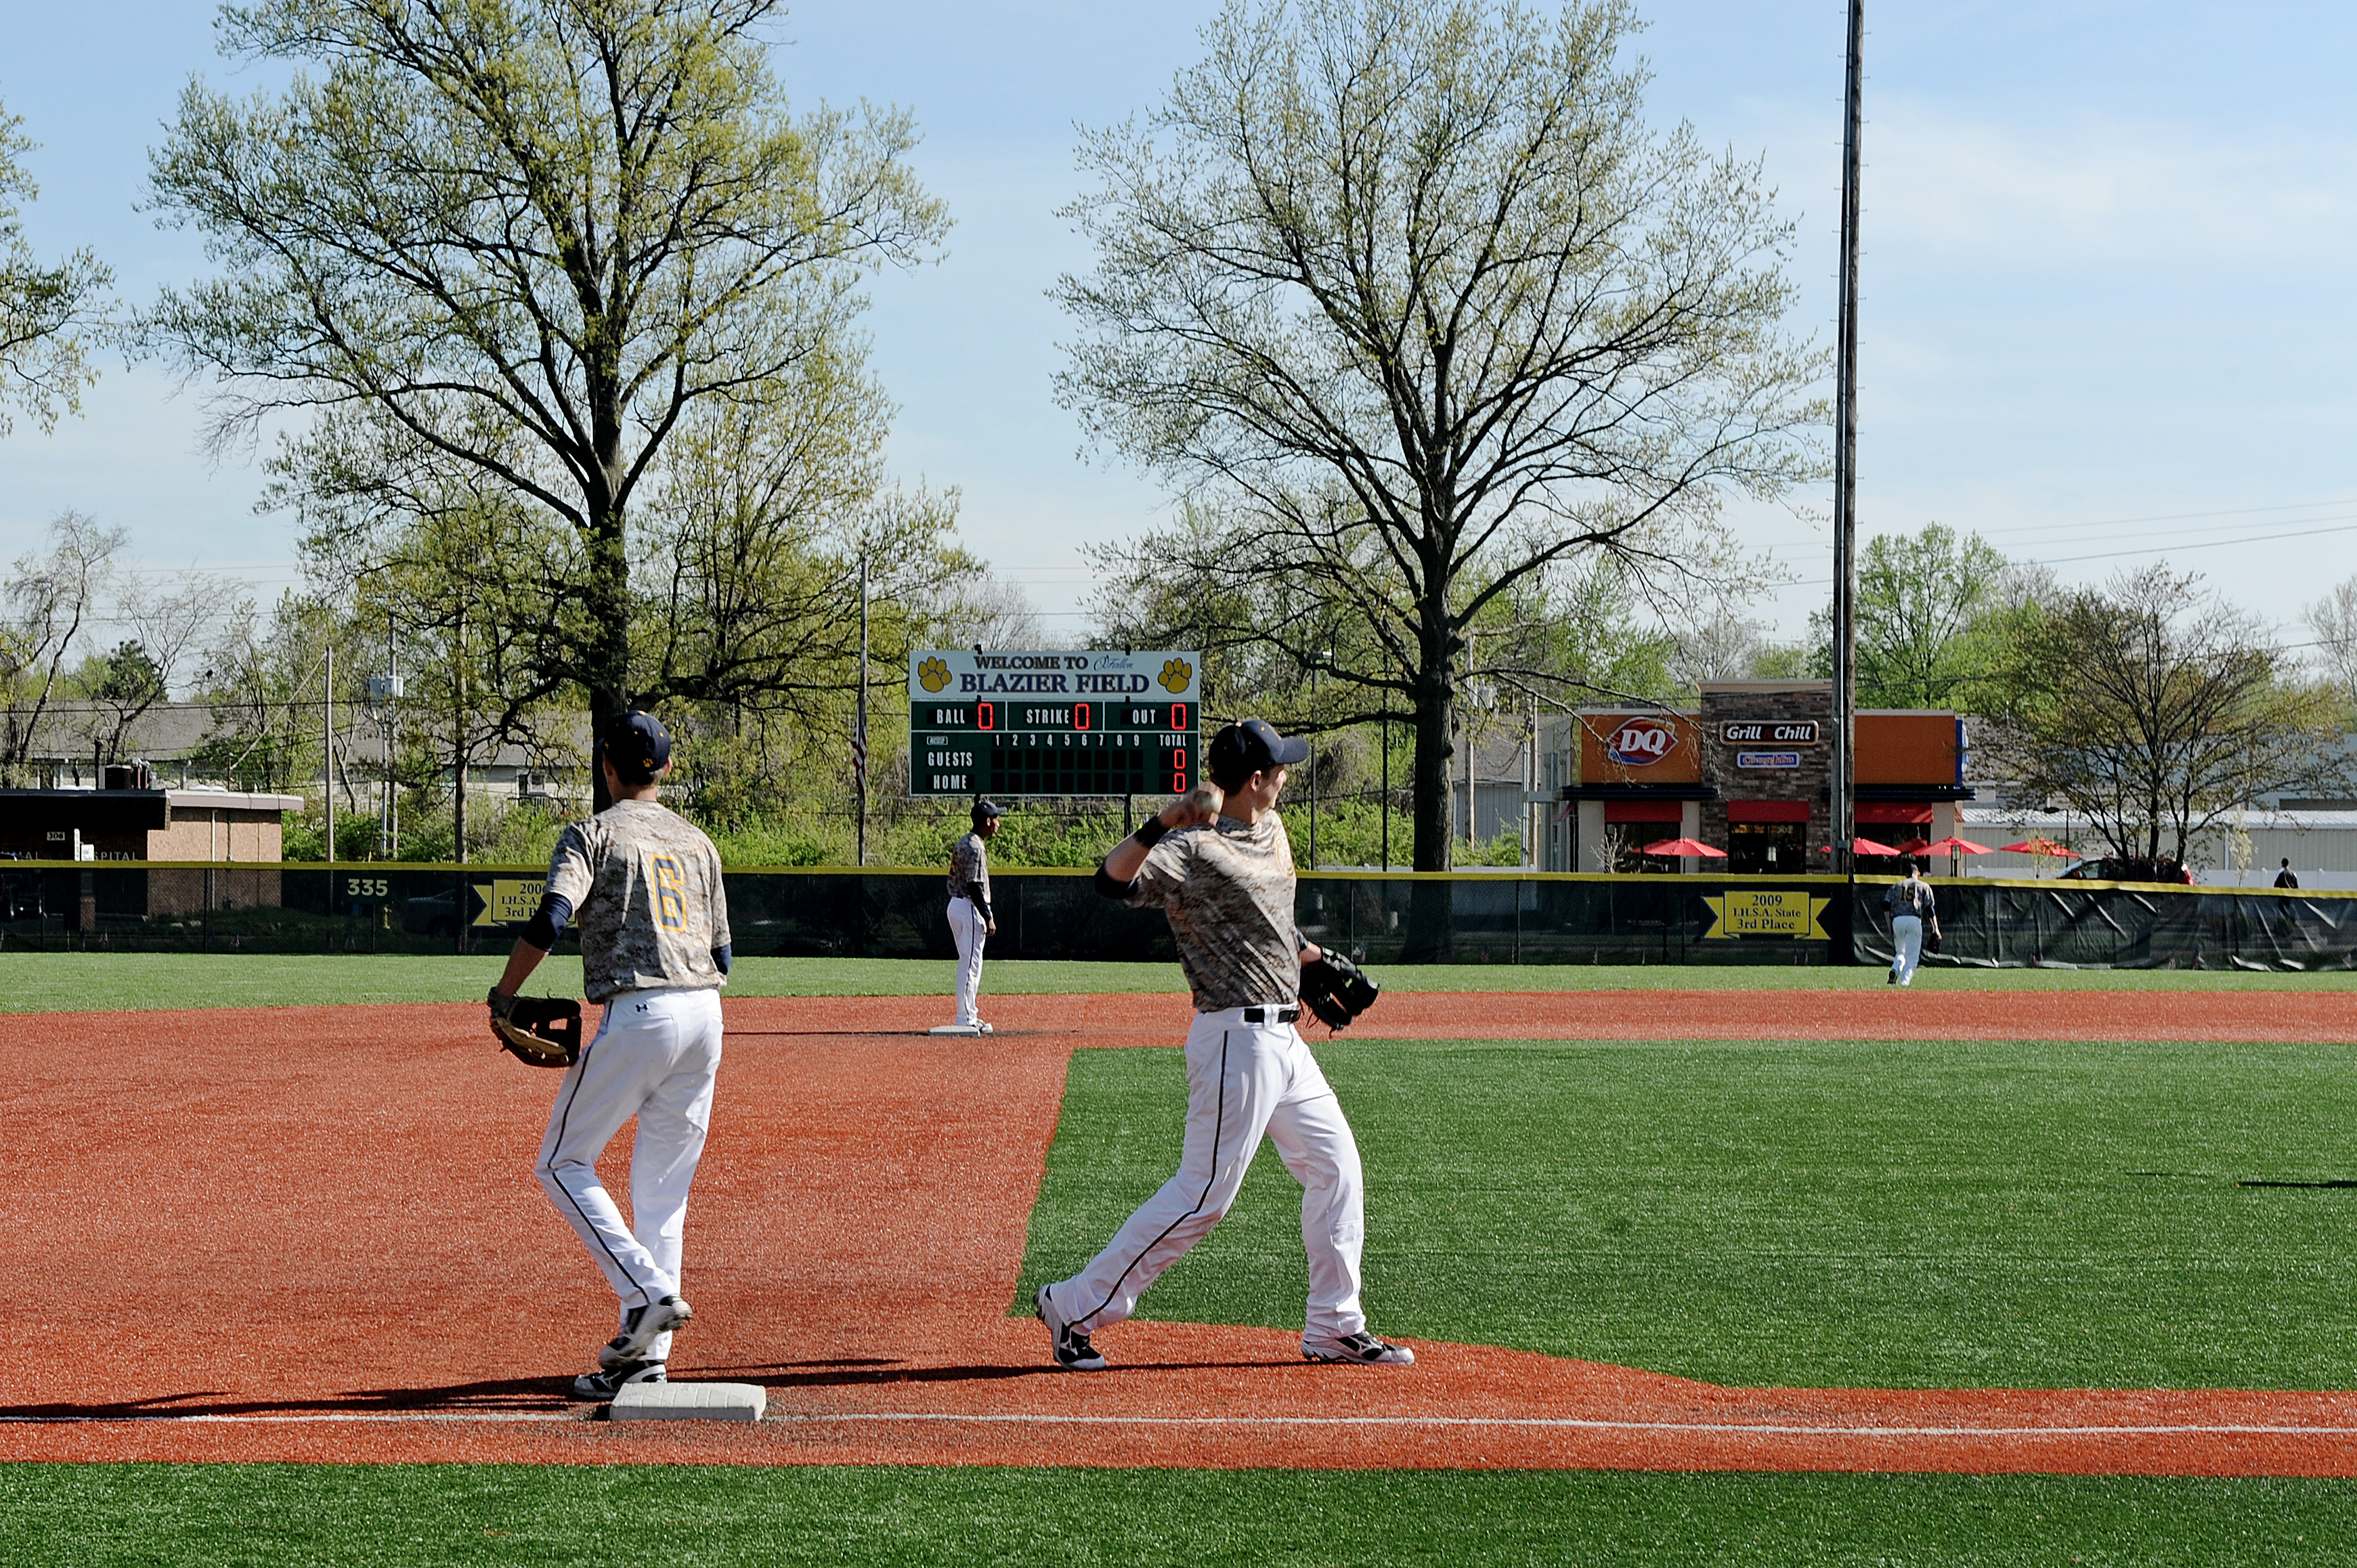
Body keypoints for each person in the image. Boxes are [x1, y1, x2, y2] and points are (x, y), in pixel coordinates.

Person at [1033, 718, 1414, 1372]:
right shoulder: (1192, 850)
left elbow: (1269, 922)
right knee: (1203, 1195)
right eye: (1280, 768)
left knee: (1337, 1168)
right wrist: (1163, 823)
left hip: (1284, 1041)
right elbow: (1110, 880)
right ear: (1257, 780)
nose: (1289, 774)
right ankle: (1075, 1305)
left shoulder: (1272, 827)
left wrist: (1314, 960)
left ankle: (1332, 1324)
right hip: (1234, 1038)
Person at [486, 711, 732, 1399]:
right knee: (662, 1198)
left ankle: (646, 1290)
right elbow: (723, 954)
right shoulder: (698, 841)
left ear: (607, 767)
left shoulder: (592, 834)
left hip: (640, 1013)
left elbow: (551, 919)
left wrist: (504, 994)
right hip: (707, 1016)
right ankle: (648, 1364)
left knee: (561, 1162)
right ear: (667, 768)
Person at [936, 800, 1003, 1036]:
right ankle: (965, 1017)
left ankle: (969, 1014)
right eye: (996, 818)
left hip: (957, 905)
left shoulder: (964, 841)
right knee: (971, 965)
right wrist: (988, 916)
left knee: (968, 962)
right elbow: (974, 885)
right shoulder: (975, 847)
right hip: (969, 906)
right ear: (987, 821)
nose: (998, 822)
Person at [1884, 862, 1940, 986]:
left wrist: (1890, 926)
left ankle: (1895, 969)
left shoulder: (1896, 886)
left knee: (1900, 952)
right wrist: (1935, 928)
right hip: (1914, 920)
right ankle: (1904, 982)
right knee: (1912, 957)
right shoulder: (1923, 885)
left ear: (1905, 875)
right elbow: (1930, 909)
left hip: (1897, 920)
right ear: (1918, 874)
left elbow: (1886, 906)